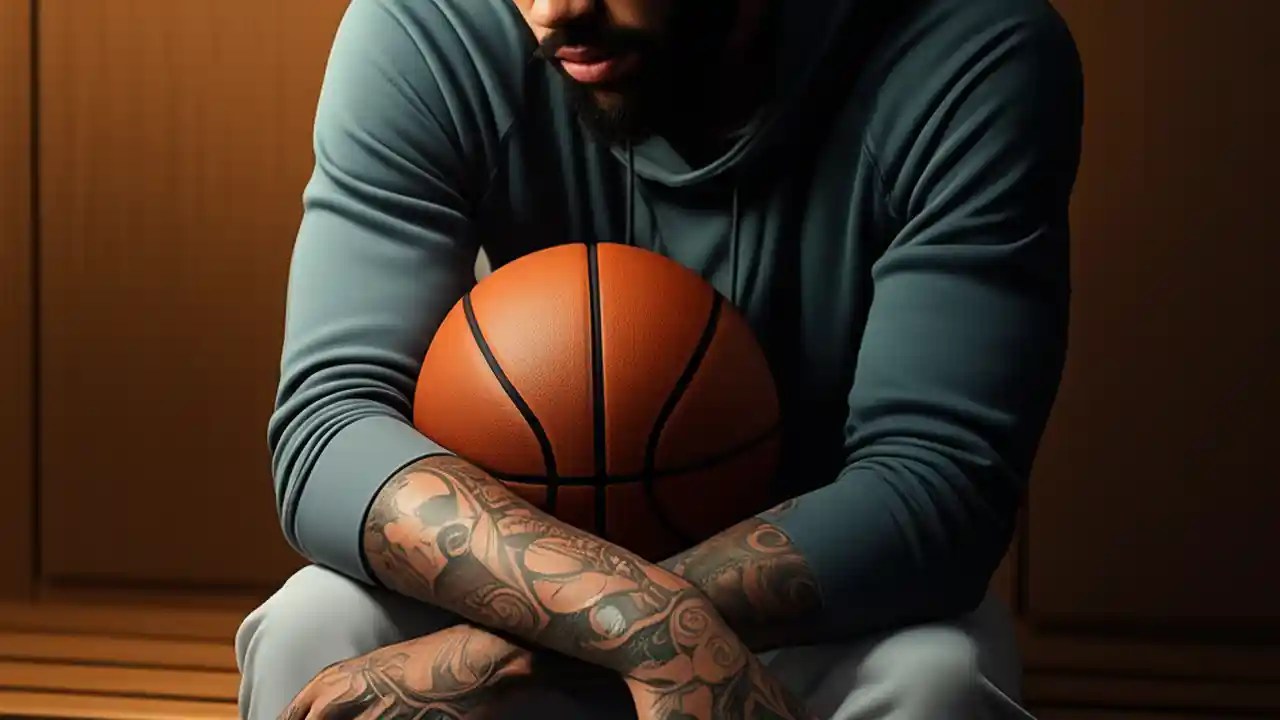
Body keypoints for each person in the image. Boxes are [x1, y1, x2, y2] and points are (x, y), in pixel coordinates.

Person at [235, 0, 1083, 717]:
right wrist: (624, 620)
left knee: (935, 684)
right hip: (499, 586)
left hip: (829, 601)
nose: (556, 10)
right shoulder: (429, 26)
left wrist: (530, 651)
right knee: (309, 635)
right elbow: (330, 424)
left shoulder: (970, 49)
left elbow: (938, 487)